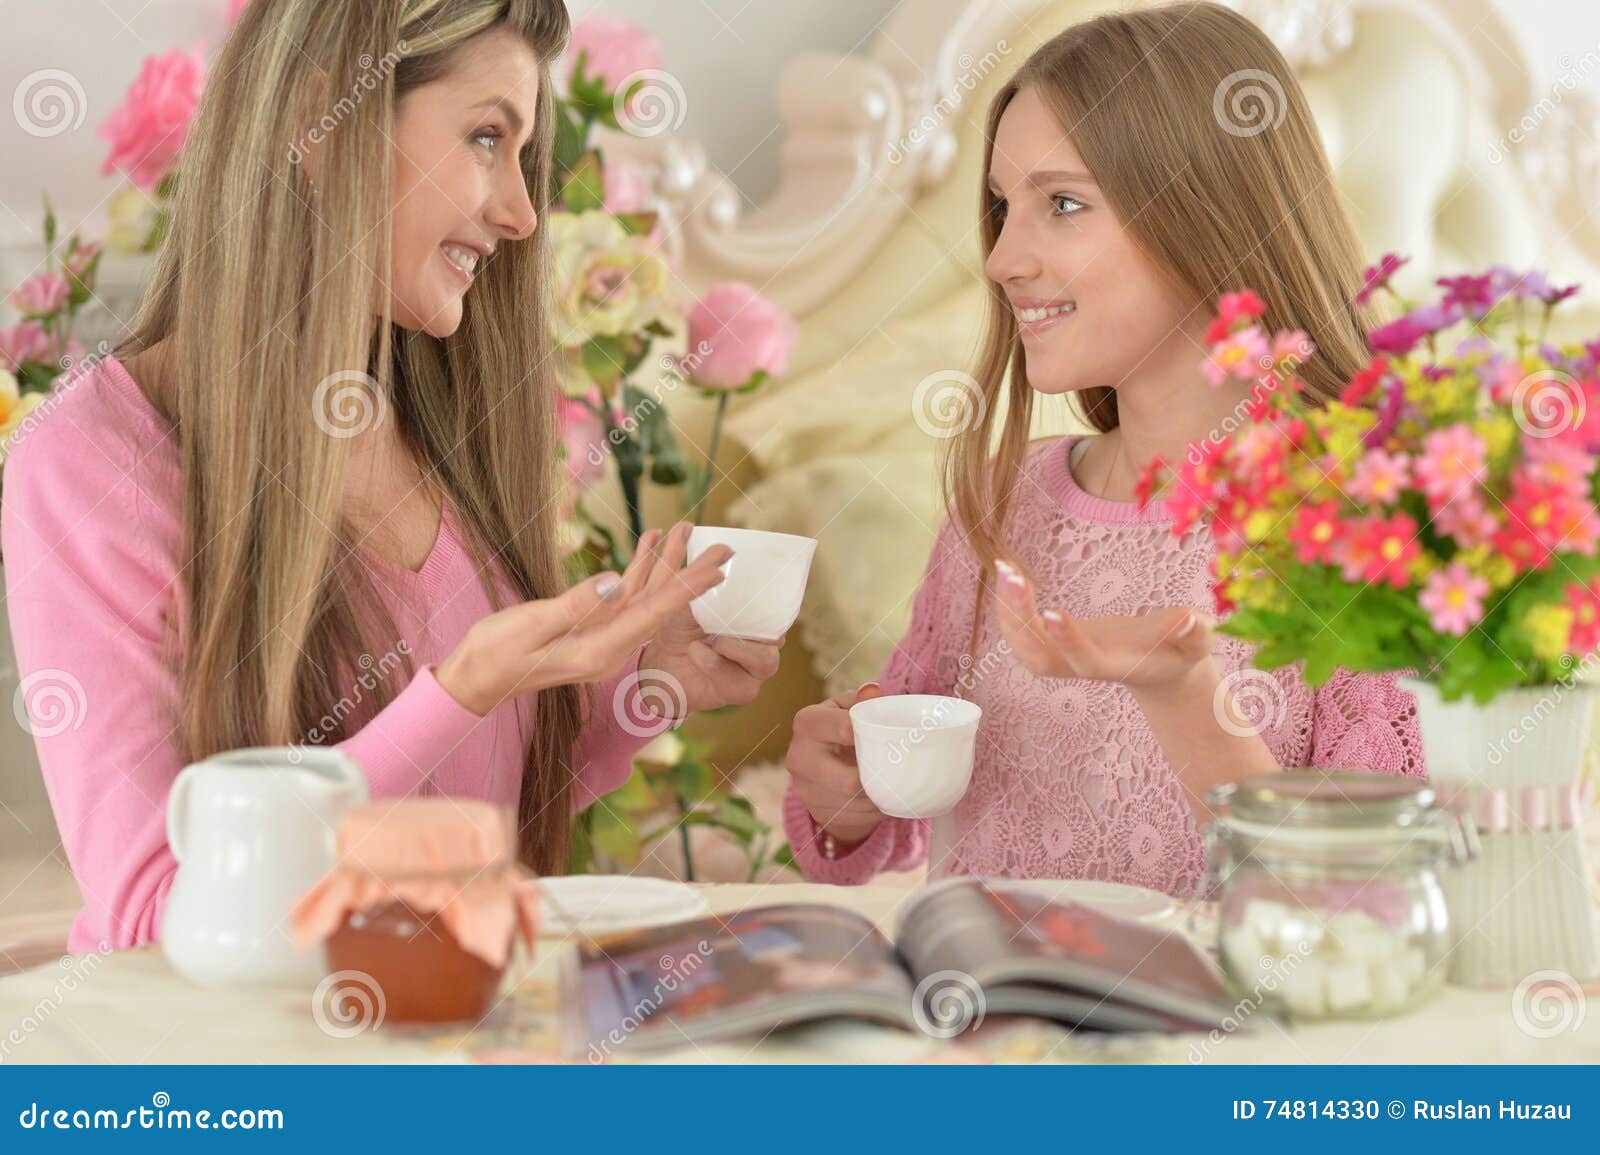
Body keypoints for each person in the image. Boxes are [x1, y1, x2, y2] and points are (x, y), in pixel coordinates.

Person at [1, 0, 781, 954]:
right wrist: (457, 690)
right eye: (487, 136)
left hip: (440, 1033)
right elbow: (152, 915)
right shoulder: (94, 458)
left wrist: (638, 690)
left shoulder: (446, 427)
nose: (523, 213)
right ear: (321, 128)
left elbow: (474, 804)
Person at [781, 2, 1425, 893]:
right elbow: (901, 798)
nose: (1004, 258)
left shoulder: (1363, 526)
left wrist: (1180, 694)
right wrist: (846, 797)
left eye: (1064, 204)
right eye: (1006, 208)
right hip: (990, 1025)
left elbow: (1367, 905)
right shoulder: (1001, 508)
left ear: (1212, 214)